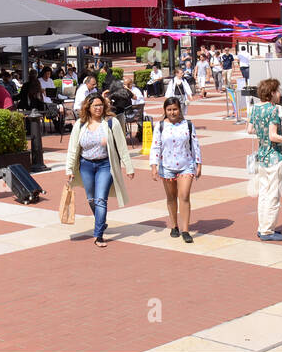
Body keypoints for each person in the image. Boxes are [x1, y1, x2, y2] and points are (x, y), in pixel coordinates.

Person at [65, 94, 136, 247]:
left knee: (100, 199)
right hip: (86, 165)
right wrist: (69, 169)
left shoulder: (111, 123)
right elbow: (72, 149)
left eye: (100, 105)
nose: (98, 108)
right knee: (91, 199)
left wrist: (128, 166)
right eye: (95, 106)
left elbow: (122, 146)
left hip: (105, 165)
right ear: (88, 108)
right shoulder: (80, 124)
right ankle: (101, 223)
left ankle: (98, 235)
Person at [248, 78, 282, 242]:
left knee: (263, 193)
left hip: (262, 155)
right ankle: (267, 230)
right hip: (274, 156)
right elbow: (273, 136)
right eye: (277, 91)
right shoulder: (272, 110)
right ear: (272, 93)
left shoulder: (255, 108)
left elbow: (250, 129)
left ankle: (262, 227)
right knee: (273, 194)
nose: (279, 94)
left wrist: (261, 132)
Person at [150, 96, 202, 243]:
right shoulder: (160, 126)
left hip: (186, 165)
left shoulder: (188, 125)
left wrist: (199, 164)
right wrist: (154, 166)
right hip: (167, 167)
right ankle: (174, 226)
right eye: (169, 110)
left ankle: (186, 230)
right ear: (165, 111)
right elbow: (156, 146)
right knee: (171, 197)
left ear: (180, 110)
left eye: (175, 109)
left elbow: (195, 145)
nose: (172, 112)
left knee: (184, 196)